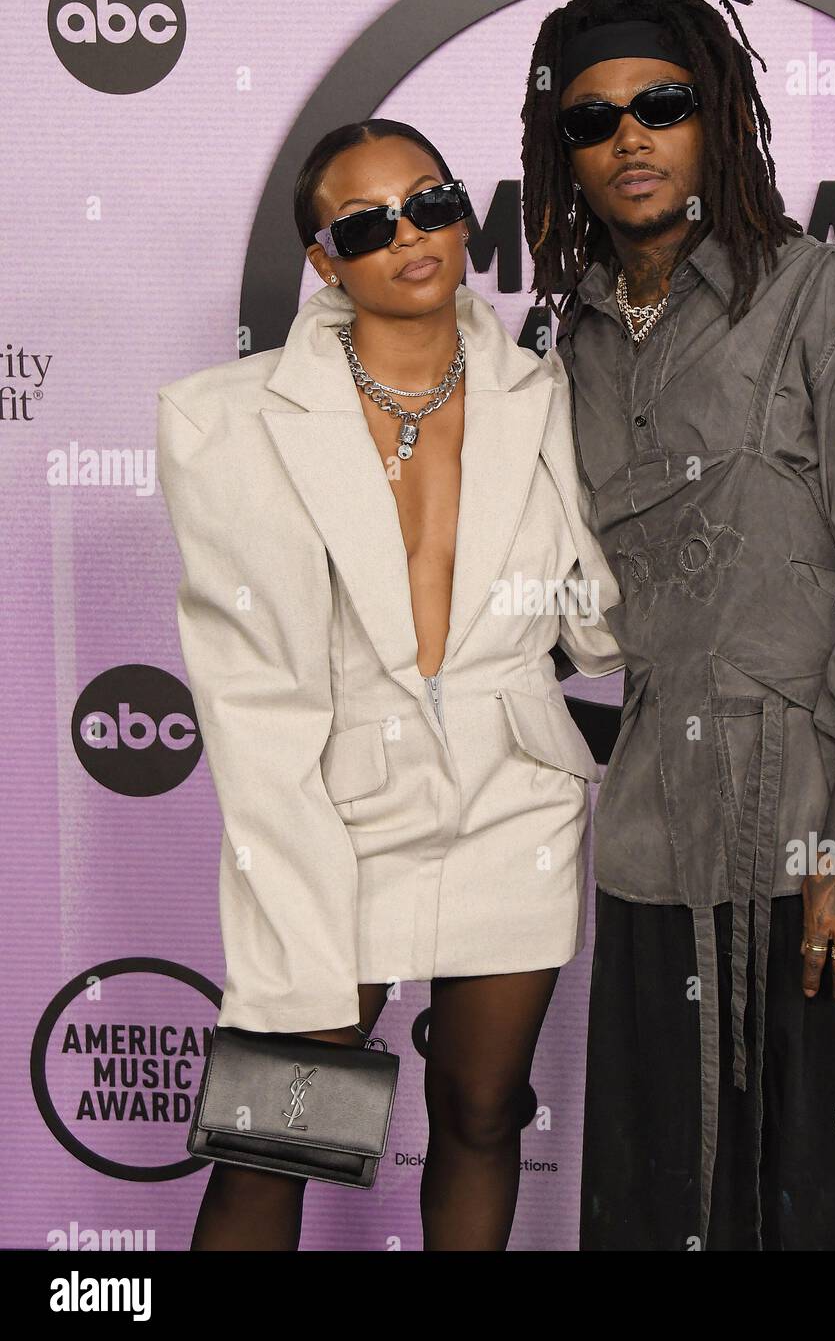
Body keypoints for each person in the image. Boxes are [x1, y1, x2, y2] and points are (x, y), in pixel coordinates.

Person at [521, 0, 835, 1250]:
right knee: (665, 1209)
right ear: (562, 152)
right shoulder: (568, 349)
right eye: (590, 121)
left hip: (828, 833)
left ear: (712, 115)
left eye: (657, 105)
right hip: (661, 841)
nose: (628, 140)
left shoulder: (833, 305)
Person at [156, 118, 625, 1250]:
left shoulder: (553, 391)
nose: (409, 235)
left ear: (465, 211)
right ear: (326, 261)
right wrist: (286, 859)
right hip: (328, 805)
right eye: (367, 223)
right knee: (279, 1133)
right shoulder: (221, 419)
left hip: (514, 794)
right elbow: (249, 687)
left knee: (479, 1112)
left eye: (429, 202)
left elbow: (598, 623)